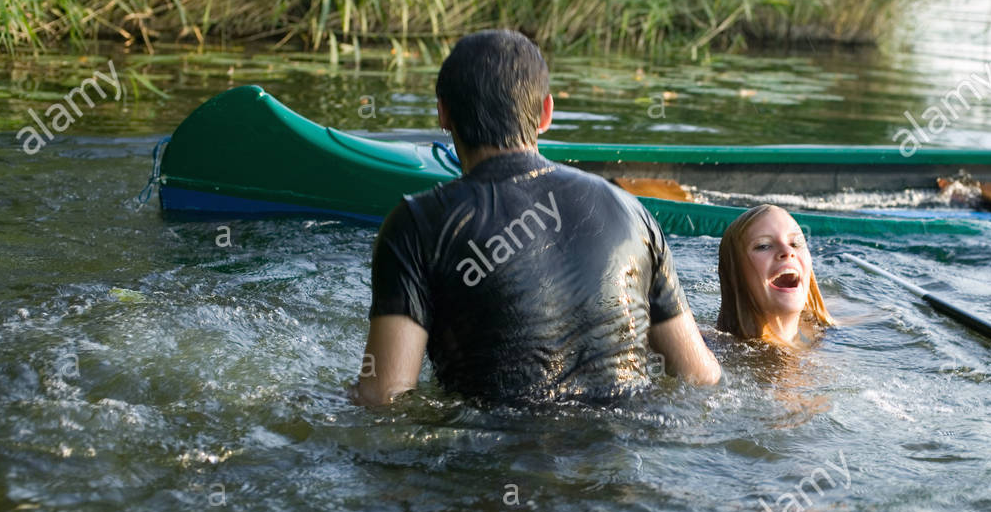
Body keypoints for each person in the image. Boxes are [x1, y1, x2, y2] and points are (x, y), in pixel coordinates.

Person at [357, 29, 721, 406]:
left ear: (443, 113)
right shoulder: (632, 211)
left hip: (491, 457)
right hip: (616, 456)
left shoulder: (416, 224)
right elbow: (701, 377)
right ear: (546, 112)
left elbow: (385, 397)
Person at [717, 204, 834, 349]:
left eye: (795, 243)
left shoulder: (829, 331)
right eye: (764, 246)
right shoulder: (716, 351)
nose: (787, 251)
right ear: (736, 276)